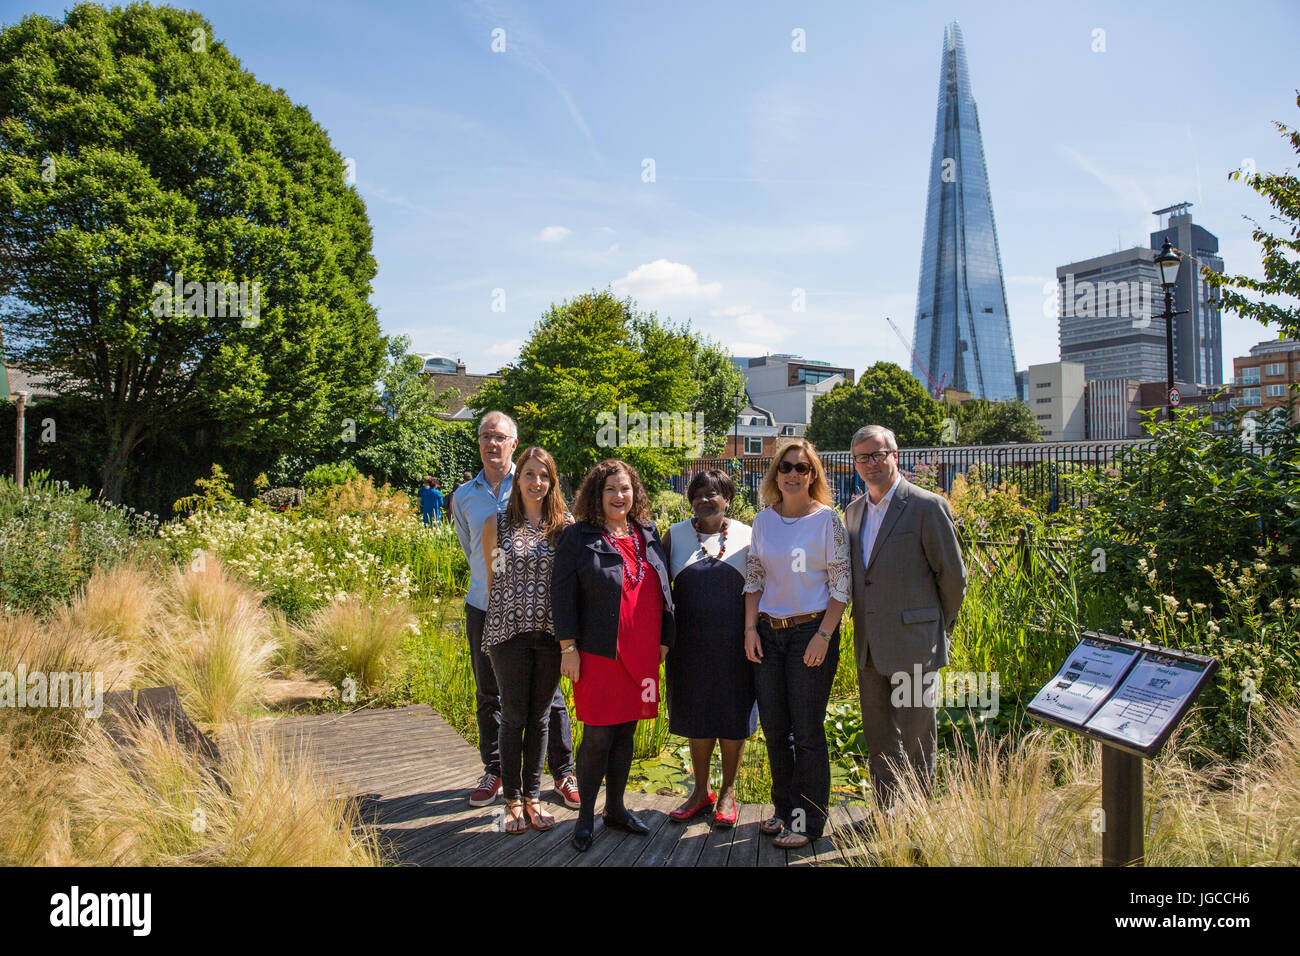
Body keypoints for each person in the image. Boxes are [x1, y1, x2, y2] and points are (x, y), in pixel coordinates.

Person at [451, 412, 580, 810]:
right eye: (486, 436)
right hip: (487, 609)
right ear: (479, 442)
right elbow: (480, 555)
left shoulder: (535, 489)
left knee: (550, 700)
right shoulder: (464, 497)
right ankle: (496, 773)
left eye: (500, 437)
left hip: (544, 624)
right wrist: (497, 607)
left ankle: (561, 772)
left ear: (513, 443)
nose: (493, 443)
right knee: (489, 694)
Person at [552, 459, 675, 852]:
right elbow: (562, 595)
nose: (619, 496)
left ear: (635, 492)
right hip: (600, 652)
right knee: (599, 735)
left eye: (625, 489)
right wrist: (567, 648)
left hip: (643, 652)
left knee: (627, 731)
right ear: (596, 494)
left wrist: (666, 639)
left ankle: (617, 809)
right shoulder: (579, 537)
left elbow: (665, 588)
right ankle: (586, 816)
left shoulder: (648, 532)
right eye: (610, 489)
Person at [844, 424, 966, 809]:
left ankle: (918, 820)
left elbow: (954, 578)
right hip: (869, 648)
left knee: (917, 739)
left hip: (915, 645)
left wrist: (936, 628)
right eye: (863, 457)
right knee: (879, 739)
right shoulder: (852, 513)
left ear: (895, 455)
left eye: (879, 454)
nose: (871, 463)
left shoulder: (927, 506)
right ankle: (885, 815)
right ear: (855, 463)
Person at [743, 439, 850, 849]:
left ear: (813, 474)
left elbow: (842, 586)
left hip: (811, 633)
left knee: (806, 733)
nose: (792, 474)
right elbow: (755, 578)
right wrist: (750, 629)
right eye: (785, 467)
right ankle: (785, 811)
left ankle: (807, 823)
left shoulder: (827, 521)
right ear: (775, 474)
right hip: (769, 634)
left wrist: (824, 635)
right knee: (774, 731)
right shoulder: (763, 522)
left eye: (801, 468)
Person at [483, 447, 572, 833]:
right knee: (513, 716)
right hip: (509, 633)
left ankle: (534, 797)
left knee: (539, 719)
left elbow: (571, 585)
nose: (537, 482)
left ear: (552, 482)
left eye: (544, 476)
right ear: (517, 479)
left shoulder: (565, 526)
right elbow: (494, 579)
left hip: (551, 634)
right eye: (530, 474)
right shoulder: (497, 524)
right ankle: (512, 800)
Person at [662, 469, 755, 827]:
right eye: (698, 494)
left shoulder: (748, 536)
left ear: (727, 497)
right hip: (688, 647)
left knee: (733, 720)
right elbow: (654, 586)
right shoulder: (675, 536)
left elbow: (760, 587)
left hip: (736, 646)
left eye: (712, 493)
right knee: (697, 719)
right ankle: (700, 793)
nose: (704, 499)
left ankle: (728, 792)